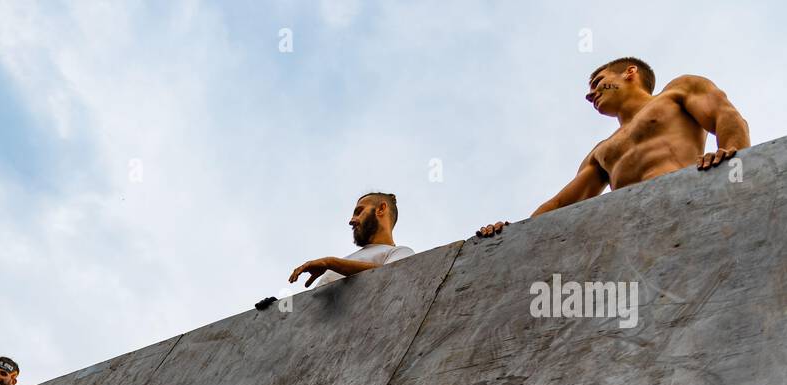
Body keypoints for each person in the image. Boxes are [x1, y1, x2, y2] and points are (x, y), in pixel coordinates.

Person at [476, 57, 750, 238]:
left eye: (597, 82)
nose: (590, 93)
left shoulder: (678, 90)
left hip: (688, 202)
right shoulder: (602, 150)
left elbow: (724, 115)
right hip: (632, 226)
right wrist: (512, 234)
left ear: (630, 73)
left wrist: (731, 153)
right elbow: (561, 204)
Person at [287, 192, 414, 289]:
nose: (351, 221)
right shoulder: (347, 260)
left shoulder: (399, 252)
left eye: (359, 212)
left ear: (381, 209)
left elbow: (391, 275)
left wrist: (329, 262)